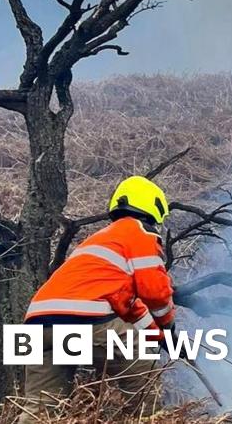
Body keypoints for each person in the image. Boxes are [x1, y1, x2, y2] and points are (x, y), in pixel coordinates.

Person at [17, 175, 177, 421]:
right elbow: (155, 294)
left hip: (39, 324)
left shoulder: (97, 242)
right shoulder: (139, 233)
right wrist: (168, 325)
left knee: (40, 411)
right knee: (145, 390)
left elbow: (130, 305)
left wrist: (161, 336)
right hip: (86, 319)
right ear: (153, 208)